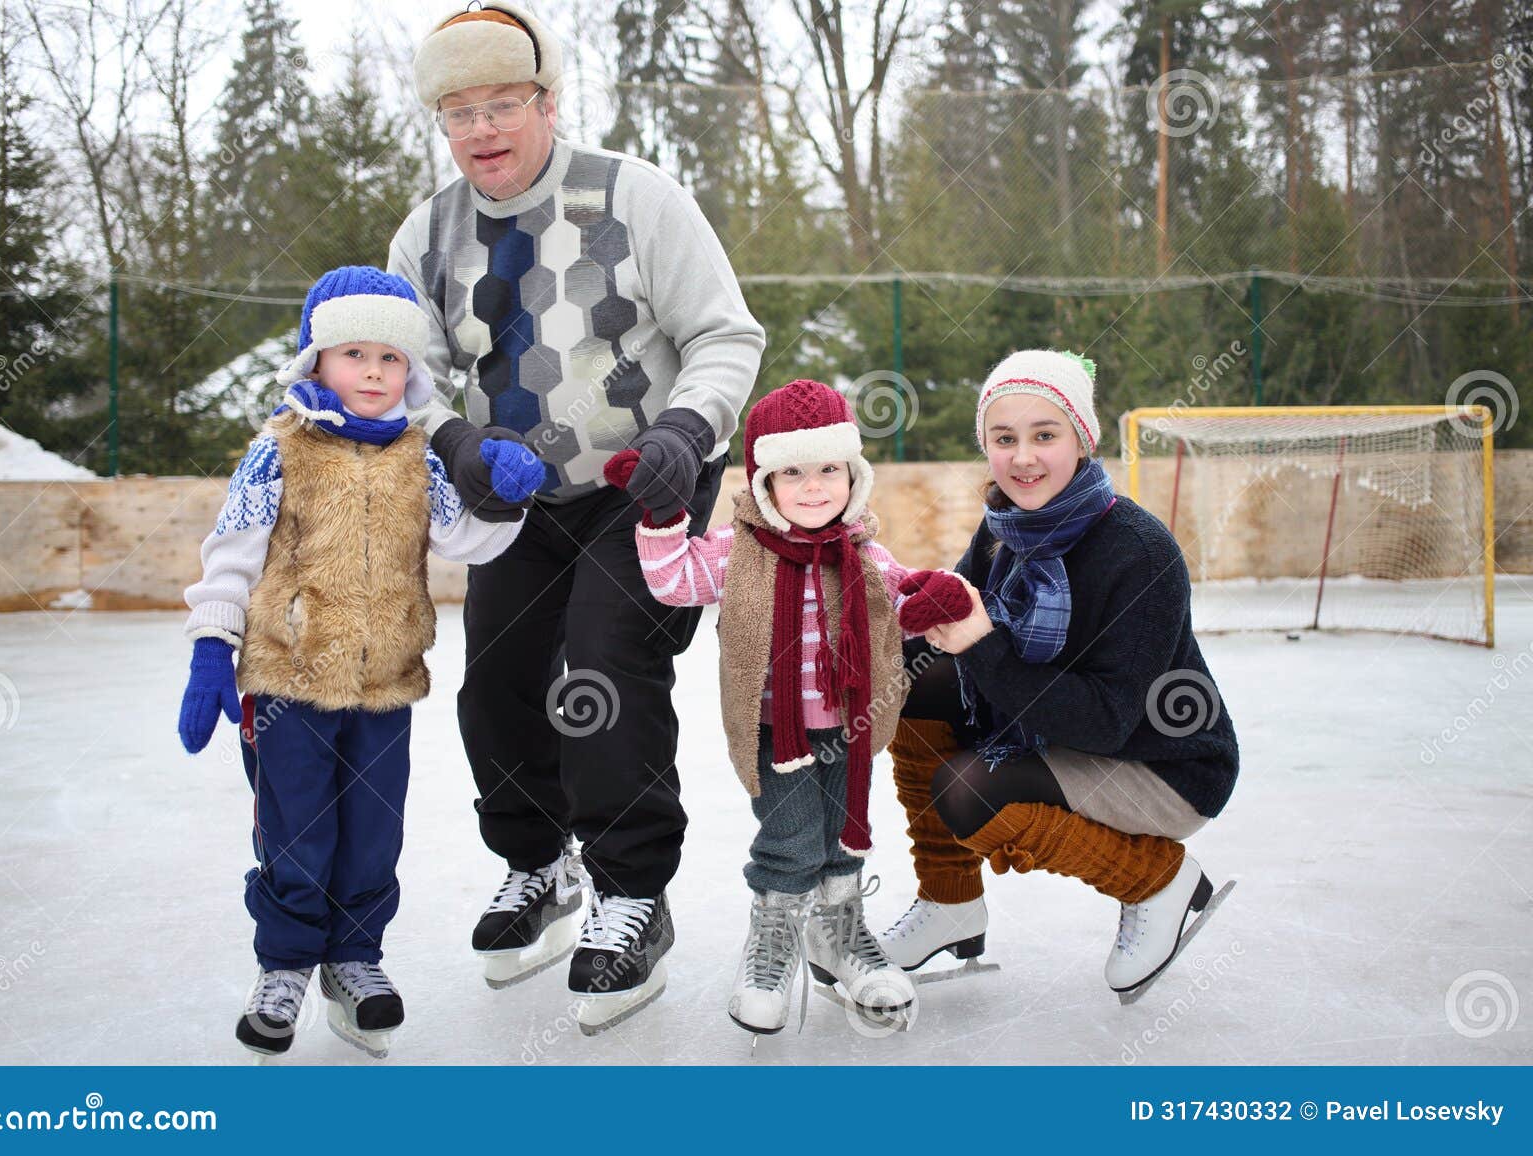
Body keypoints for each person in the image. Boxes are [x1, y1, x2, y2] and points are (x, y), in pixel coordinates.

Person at [388, 3, 764, 1034]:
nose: (480, 129)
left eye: (501, 103)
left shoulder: (633, 196)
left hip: (648, 479)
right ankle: (537, 864)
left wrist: (688, 432)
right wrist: (454, 442)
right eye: (457, 112)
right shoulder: (429, 231)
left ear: (547, 101)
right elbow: (406, 368)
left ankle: (632, 891)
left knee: (599, 665)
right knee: (498, 683)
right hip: (519, 491)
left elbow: (727, 334)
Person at [177, 267, 540, 1057]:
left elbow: (465, 540)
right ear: (317, 362)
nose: (374, 371)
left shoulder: (422, 457)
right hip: (288, 683)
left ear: (409, 370)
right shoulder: (277, 452)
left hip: (385, 687)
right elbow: (231, 552)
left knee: (373, 834)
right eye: (354, 355)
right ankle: (283, 967)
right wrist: (213, 646)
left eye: (390, 357)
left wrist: (508, 499)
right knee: (296, 831)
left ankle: (355, 959)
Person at [877, 350, 1240, 997]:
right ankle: (949, 900)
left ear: (1083, 439)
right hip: (1060, 732)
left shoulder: (1138, 551)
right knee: (910, 684)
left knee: (970, 791)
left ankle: (1156, 880)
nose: (1023, 458)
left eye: (1045, 435)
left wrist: (982, 646)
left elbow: (1106, 720)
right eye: (1004, 438)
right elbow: (944, 634)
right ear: (984, 445)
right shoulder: (1003, 531)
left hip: (1162, 766)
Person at [609, 379, 930, 1035]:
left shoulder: (862, 549)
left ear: (853, 473)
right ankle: (773, 944)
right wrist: (660, 508)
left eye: (829, 470)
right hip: (774, 735)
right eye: (793, 473)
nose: (814, 488)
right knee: (790, 843)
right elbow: (674, 580)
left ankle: (839, 936)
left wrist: (939, 602)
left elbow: (907, 596)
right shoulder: (739, 549)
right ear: (763, 482)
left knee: (842, 839)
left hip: (851, 728)